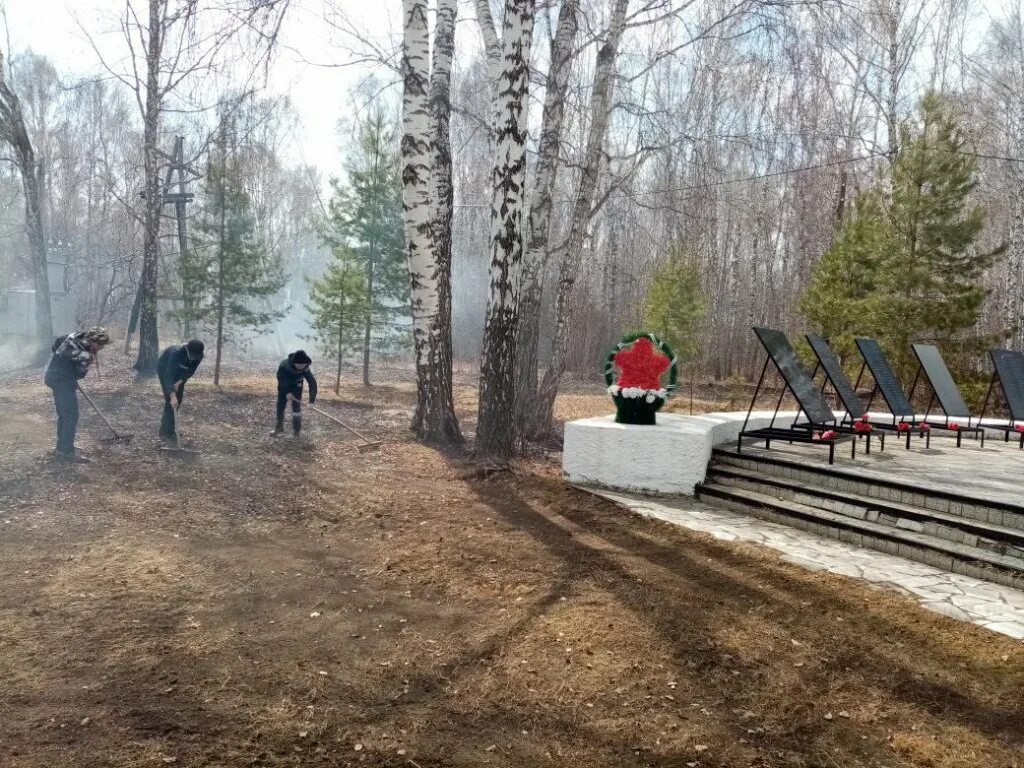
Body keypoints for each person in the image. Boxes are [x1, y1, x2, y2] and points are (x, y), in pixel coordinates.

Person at [43, 326, 111, 463]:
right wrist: (74, 372)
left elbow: (56, 344)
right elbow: (80, 373)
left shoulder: (73, 336)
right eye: (100, 345)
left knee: (64, 414)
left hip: (53, 376)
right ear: (94, 340)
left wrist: (64, 364)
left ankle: (62, 446)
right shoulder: (85, 352)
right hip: (62, 381)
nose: (101, 349)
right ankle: (66, 452)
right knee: (71, 415)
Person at [157, 339, 205, 444]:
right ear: (187, 349)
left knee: (178, 401)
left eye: (195, 356)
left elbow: (190, 371)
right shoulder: (176, 354)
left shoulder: (199, 356)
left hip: (180, 373)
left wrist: (179, 383)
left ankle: (171, 428)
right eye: (192, 355)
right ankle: (165, 432)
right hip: (164, 369)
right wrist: (172, 395)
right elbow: (169, 376)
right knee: (170, 402)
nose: (193, 358)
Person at [274, 350, 317, 436]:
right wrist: (287, 392)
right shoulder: (284, 365)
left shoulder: (305, 367)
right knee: (280, 406)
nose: (302, 367)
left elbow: (312, 383)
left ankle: (296, 430)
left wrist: (311, 401)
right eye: (299, 365)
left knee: (296, 408)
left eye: (303, 365)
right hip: (284, 386)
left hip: (297, 386)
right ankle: (279, 427)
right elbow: (281, 379)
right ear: (294, 362)